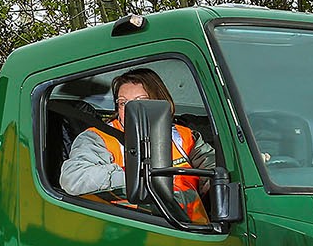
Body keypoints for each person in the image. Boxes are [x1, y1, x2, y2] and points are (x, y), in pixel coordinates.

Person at [59, 68, 211, 221]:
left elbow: (216, 171)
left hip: (193, 229)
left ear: (159, 102)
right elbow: (73, 178)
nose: (130, 110)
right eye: (123, 103)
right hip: (135, 228)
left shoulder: (184, 136)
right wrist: (136, 179)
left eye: (139, 101)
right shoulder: (98, 137)